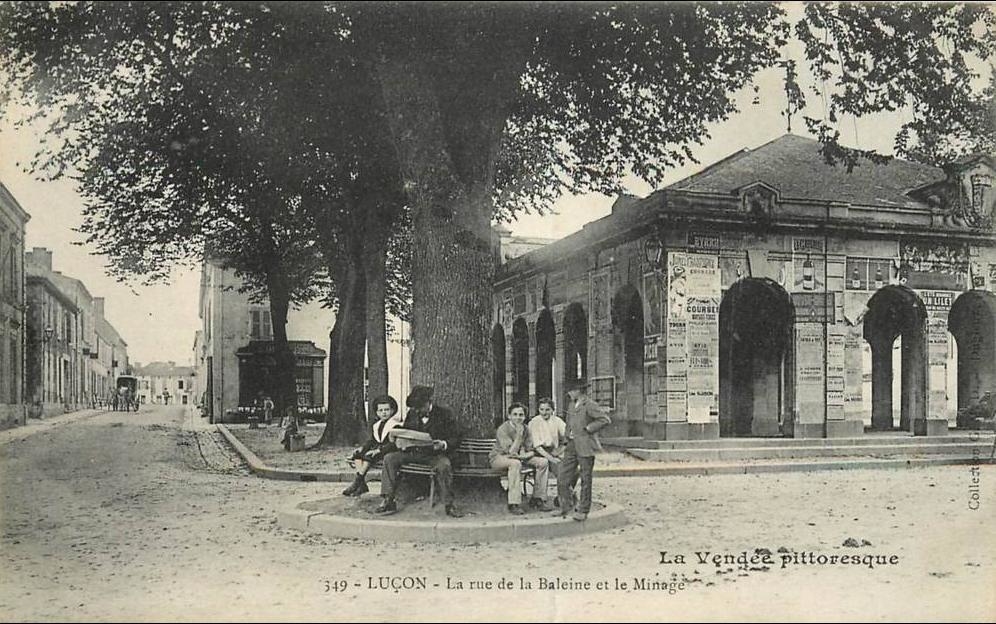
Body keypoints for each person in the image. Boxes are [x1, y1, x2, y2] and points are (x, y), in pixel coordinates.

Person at [375, 385, 464, 518]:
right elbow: (406, 431)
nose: (417, 410)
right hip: (413, 453)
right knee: (390, 458)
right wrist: (397, 438)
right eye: (415, 408)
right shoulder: (412, 413)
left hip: (435, 455)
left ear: (428, 403)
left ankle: (449, 504)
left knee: (444, 465)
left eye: (419, 407)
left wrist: (443, 444)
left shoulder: (444, 414)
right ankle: (388, 499)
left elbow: (456, 437)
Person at [556, 378, 611, 522]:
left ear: (578, 391)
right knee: (562, 477)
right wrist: (566, 438)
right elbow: (568, 424)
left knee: (586, 479)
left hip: (586, 446)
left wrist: (588, 428)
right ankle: (567, 506)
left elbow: (604, 419)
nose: (569, 394)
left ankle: (583, 509)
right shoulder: (571, 405)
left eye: (570, 391)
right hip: (572, 446)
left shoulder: (590, 405)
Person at [490, 402, 552, 514]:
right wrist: (519, 436)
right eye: (515, 414)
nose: (518, 418)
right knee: (515, 464)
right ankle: (514, 503)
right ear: (509, 416)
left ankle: (538, 498)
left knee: (543, 462)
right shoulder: (503, 429)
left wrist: (524, 456)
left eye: (521, 415)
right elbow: (510, 451)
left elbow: (531, 450)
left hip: (519, 457)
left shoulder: (526, 428)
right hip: (500, 458)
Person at [342, 395, 403, 497]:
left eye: (387, 410)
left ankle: (358, 481)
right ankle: (361, 484)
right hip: (378, 450)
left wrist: (378, 451)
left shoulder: (395, 425)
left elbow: (394, 444)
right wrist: (362, 449)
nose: (384, 412)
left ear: (392, 411)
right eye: (381, 410)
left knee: (369, 456)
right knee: (358, 455)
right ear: (377, 412)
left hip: (388, 451)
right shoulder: (376, 425)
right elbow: (371, 441)